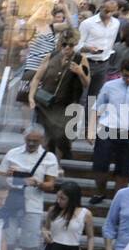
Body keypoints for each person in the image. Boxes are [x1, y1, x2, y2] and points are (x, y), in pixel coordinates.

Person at [0, 124, 60, 250]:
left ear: (42, 140)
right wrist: (10, 175)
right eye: (29, 140)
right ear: (24, 138)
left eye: (35, 141)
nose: (32, 143)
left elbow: (51, 185)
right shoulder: (13, 153)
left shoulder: (48, 158)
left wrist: (36, 183)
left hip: (32, 205)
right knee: (7, 241)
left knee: (28, 246)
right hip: (10, 202)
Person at [90, 57, 129, 204]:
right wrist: (91, 129)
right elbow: (97, 108)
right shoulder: (110, 85)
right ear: (121, 73)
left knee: (124, 169)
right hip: (107, 128)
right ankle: (100, 192)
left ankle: (118, 199)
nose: (128, 79)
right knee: (100, 165)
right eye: (125, 76)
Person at [29, 31, 90, 163]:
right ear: (60, 44)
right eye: (64, 44)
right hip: (46, 103)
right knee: (46, 137)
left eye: (71, 45)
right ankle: (43, 164)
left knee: (61, 137)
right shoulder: (51, 56)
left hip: (67, 105)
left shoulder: (81, 59)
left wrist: (80, 73)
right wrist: (31, 97)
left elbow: (87, 83)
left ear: (75, 45)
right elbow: (36, 78)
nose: (67, 48)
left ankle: (55, 164)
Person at [74, 0, 120, 101]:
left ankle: (88, 117)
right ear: (101, 8)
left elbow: (111, 42)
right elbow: (76, 46)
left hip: (103, 63)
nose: (108, 14)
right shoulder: (88, 23)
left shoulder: (116, 23)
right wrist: (89, 49)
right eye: (106, 11)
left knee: (94, 96)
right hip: (87, 62)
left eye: (111, 12)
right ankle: (75, 116)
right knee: (80, 93)